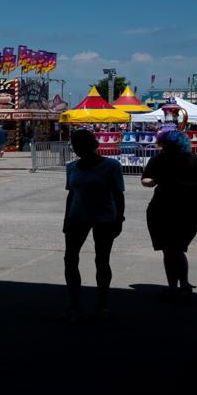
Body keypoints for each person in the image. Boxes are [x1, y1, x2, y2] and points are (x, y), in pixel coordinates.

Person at [140, 128, 197, 302]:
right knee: (174, 249)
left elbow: (146, 180)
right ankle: (181, 286)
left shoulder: (161, 160)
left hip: (169, 208)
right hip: (182, 208)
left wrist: (157, 181)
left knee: (171, 250)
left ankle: (178, 287)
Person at [61, 129, 125, 322]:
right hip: (77, 217)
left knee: (102, 260)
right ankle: (74, 304)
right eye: (76, 145)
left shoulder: (111, 166)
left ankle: (102, 304)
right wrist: (66, 219)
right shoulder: (71, 167)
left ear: (93, 146)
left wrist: (119, 219)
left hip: (104, 217)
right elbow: (71, 194)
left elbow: (118, 195)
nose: (79, 149)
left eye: (82, 145)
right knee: (70, 259)